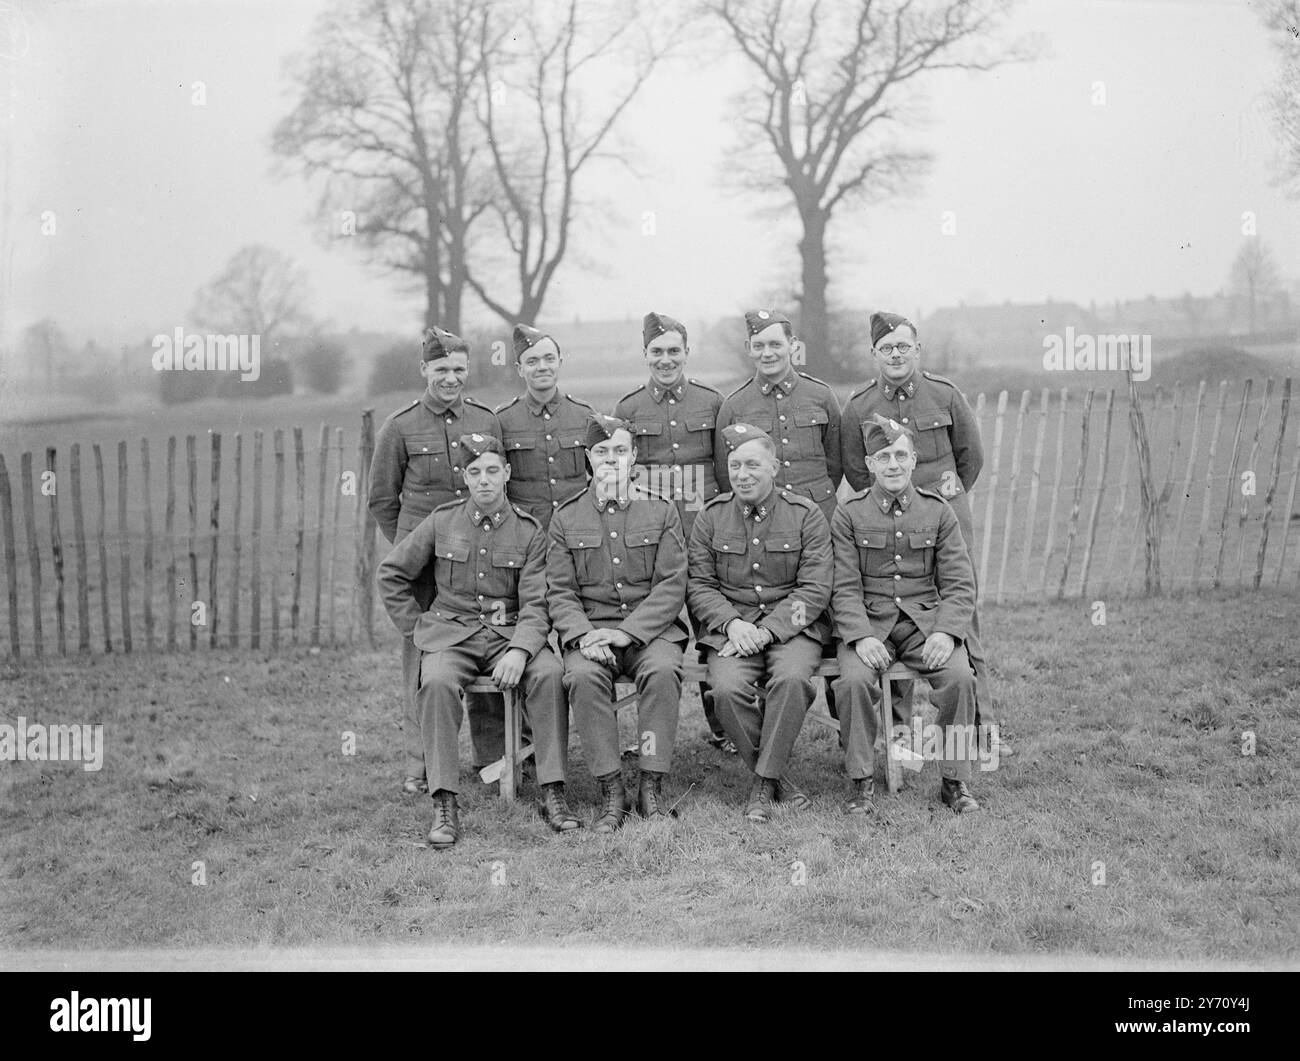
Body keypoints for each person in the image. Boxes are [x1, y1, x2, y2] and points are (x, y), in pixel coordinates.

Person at [376, 434, 578, 847]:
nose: (483, 480)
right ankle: (444, 802)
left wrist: (520, 650)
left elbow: (537, 602)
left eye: (491, 471)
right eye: (474, 472)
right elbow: (391, 574)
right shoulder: (442, 521)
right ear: (464, 477)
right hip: (452, 635)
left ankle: (553, 791)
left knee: (550, 674)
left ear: (506, 473)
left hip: (510, 634)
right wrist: (417, 628)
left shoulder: (529, 531)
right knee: (435, 682)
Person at [840, 311, 998, 738]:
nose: (896, 355)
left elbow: (970, 457)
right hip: (884, 524)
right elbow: (856, 469)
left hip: (945, 519)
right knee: (892, 613)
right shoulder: (859, 406)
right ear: (874, 353)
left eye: (903, 346)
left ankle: (981, 726)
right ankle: (899, 730)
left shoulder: (945, 394)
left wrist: (938, 503)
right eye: (886, 348)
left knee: (961, 619)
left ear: (918, 349)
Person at [368, 326, 504, 795]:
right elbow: (382, 499)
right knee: (422, 661)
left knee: (486, 646)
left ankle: (492, 758)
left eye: (459, 369)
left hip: (480, 559)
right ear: (424, 369)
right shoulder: (399, 426)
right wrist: (413, 548)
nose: (450, 378)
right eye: (441, 369)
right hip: (426, 570)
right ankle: (421, 763)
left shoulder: (486, 420)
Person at [830, 415, 981, 815]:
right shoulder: (849, 514)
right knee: (853, 681)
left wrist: (946, 632)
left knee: (960, 677)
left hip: (924, 625)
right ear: (869, 464)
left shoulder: (939, 511)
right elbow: (843, 585)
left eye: (900, 455)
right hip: (869, 624)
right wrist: (860, 636)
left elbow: (960, 583)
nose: (893, 464)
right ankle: (861, 780)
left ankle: (954, 780)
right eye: (883, 457)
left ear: (914, 460)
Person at [547, 414, 688, 831]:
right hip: (590, 633)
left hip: (650, 632)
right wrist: (584, 635)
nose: (612, 459)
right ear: (588, 459)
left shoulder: (661, 510)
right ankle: (611, 789)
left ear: (635, 456)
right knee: (582, 678)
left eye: (621, 451)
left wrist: (627, 633)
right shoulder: (565, 517)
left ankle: (651, 785)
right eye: (602, 452)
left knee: (662, 671)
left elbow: (671, 585)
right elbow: (560, 591)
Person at [687, 423, 833, 822]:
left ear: (774, 467)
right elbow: (699, 585)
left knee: (792, 680)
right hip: (732, 631)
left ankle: (762, 784)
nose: (742, 474)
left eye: (752, 465)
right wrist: (732, 625)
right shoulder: (711, 516)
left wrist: (769, 631)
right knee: (725, 690)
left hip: (793, 629)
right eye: (735, 465)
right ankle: (776, 779)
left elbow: (815, 588)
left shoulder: (805, 515)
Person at [613, 311, 732, 752]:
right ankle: (643, 735)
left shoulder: (712, 402)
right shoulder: (628, 409)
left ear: (687, 352)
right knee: (645, 635)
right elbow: (621, 476)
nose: (666, 360)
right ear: (645, 355)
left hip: (704, 536)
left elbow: (725, 474)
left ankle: (724, 727)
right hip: (651, 542)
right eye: (657, 351)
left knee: (713, 629)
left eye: (674, 351)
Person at [715, 310, 843, 521]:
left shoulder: (822, 395)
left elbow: (835, 463)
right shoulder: (734, 405)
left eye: (775, 344)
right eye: (759, 346)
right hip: (761, 517)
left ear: (792, 344)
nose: (767, 354)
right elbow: (725, 472)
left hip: (818, 513)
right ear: (749, 348)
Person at [496, 323, 597, 530]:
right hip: (524, 531)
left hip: (577, 528)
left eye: (549, 359)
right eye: (532, 361)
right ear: (520, 369)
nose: (542, 367)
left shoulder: (584, 415)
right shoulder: (503, 419)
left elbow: (601, 474)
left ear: (560, 362)